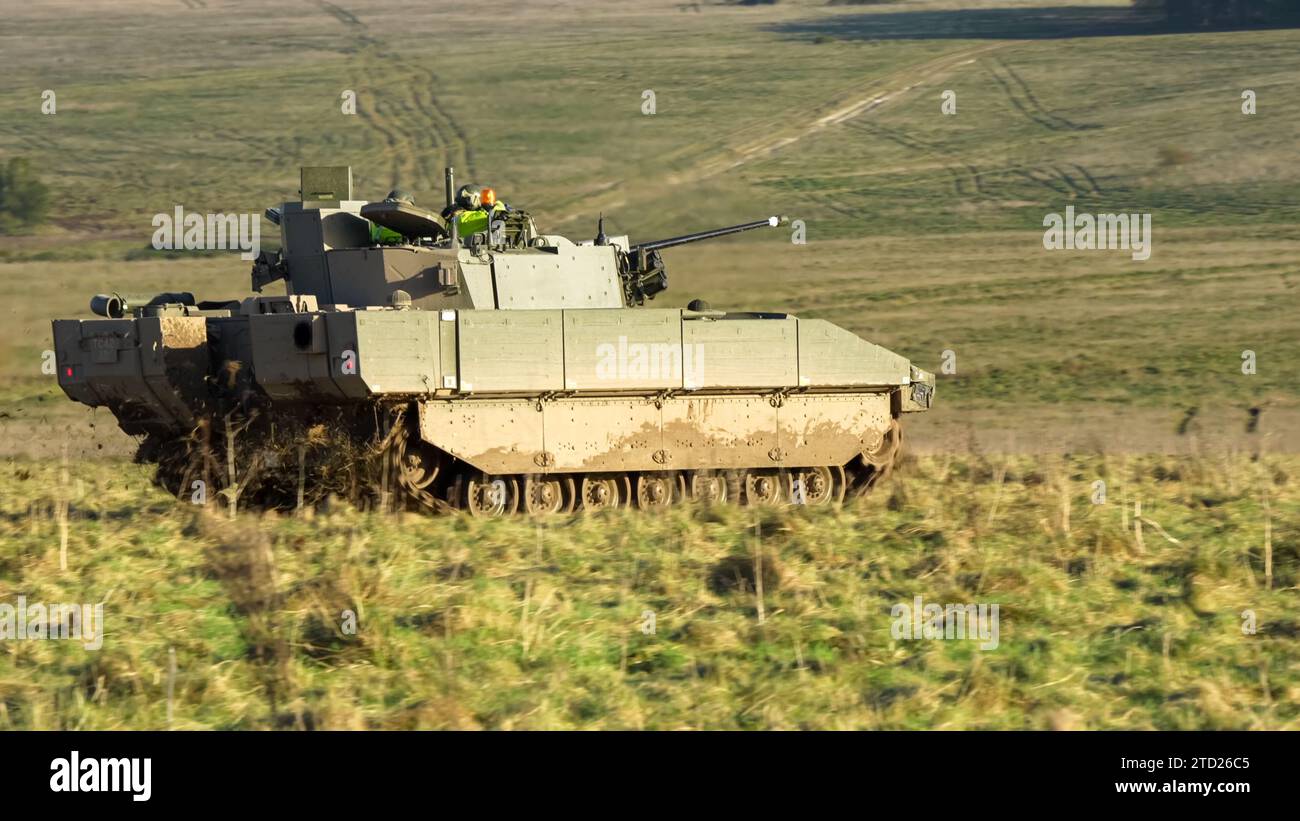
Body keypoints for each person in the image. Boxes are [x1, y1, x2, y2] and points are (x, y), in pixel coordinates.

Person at [441, 184, 507, 238]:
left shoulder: (454, 216)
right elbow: (494, 216)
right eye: (479, 199)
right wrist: (497, 205)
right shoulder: (463, 218)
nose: (480, 201)